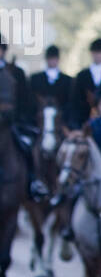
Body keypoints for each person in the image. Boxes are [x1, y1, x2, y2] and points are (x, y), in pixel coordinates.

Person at [0, 34, 48, 199]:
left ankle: (34, 183)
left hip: (11, 124)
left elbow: (26, 101)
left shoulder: (16, 73)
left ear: (3, 51)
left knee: (27, 147)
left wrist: (17, 119)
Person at [30, 45, 73, 127]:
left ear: (58, 59)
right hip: (39, 121)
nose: (52, 61)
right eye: (50, 58)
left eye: (54, 58)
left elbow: (69, 102)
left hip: (61, 121)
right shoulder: (35, 79)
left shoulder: (68, 80)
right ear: (46, 59)